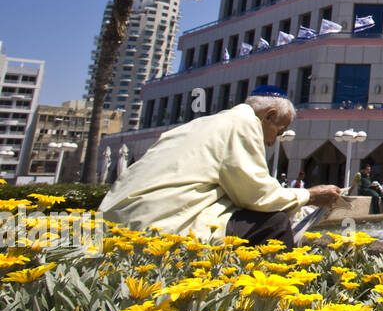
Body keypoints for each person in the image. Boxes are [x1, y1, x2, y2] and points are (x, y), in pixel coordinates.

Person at [99, 86, 341, 247]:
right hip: (158, 224)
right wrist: (311, 195)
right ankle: (269, 302)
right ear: (269, 115)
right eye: (279, 132)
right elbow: (257, 195)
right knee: (274, 224)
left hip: (119, 219)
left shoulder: (202, 124)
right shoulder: (243, 125)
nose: (272, 141)